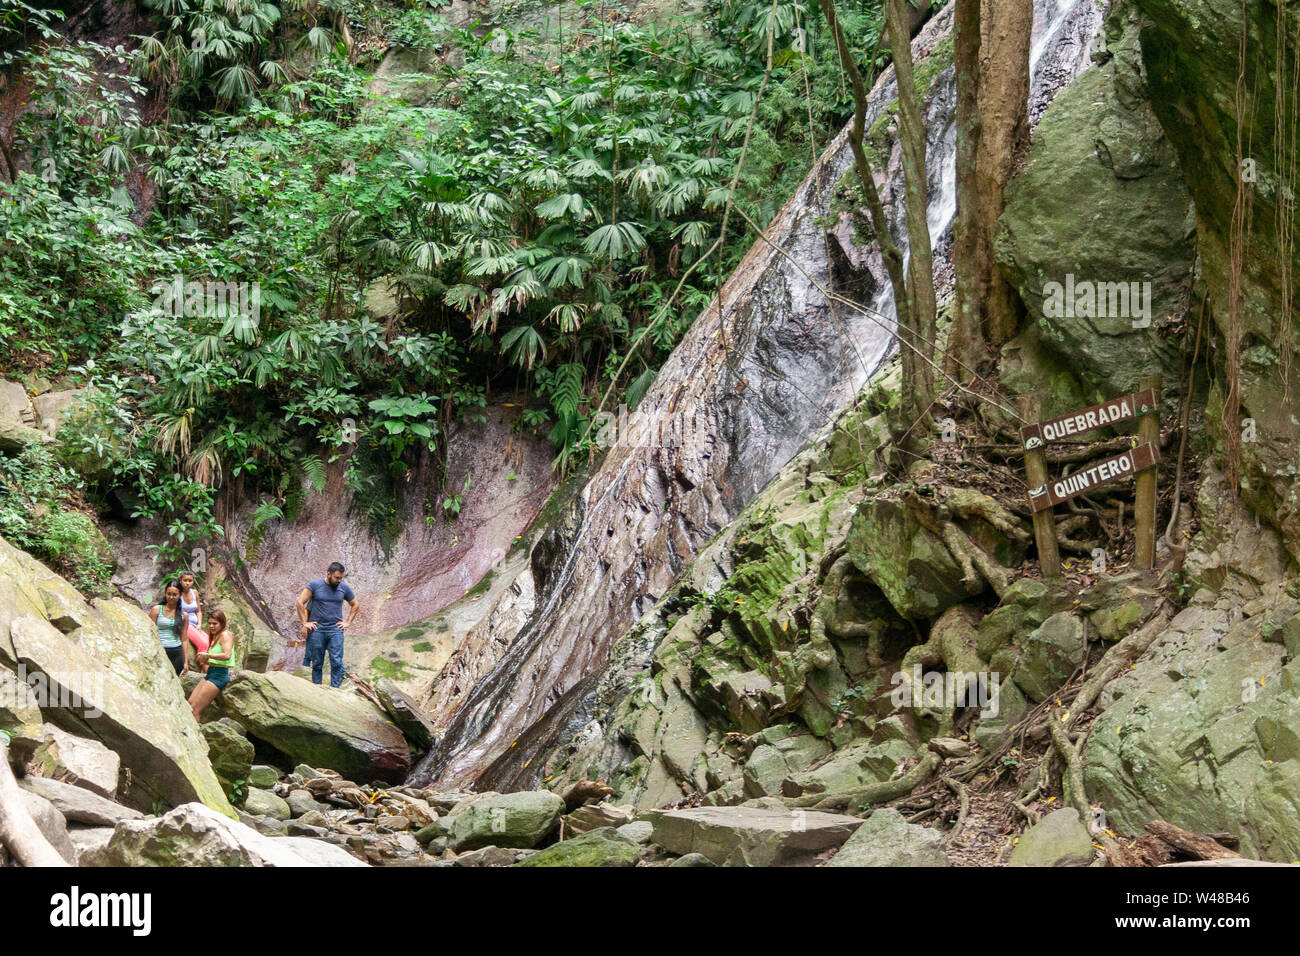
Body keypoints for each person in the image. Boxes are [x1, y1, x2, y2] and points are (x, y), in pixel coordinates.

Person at [296, 562, 358, 688]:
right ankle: (317, 689)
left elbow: (355, 604)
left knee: (336, 661)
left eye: (341, 578)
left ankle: (335, 689)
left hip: (335, 630)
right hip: (317, 630)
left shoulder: (343, 587)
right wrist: (304, 623)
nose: (339, 580)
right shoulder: (315, 585)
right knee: (317, 663)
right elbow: (300, 603)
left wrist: (348, 622)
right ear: (328, 574)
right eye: (336, 577)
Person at [189, 609, 234, 721]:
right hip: (210, 673)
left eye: (215, 624)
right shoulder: (214, 636)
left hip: (219, 675)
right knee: (190, 704)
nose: (211, 626)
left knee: (195, 710)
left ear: (222, 623)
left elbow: (227, 655)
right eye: (209, 623)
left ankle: (195, 737)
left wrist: (208, 656)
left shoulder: (225, 635)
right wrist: (204, 658)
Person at [149, 581, 188, 676]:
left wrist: (186, 661)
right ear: (165, 594)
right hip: (160, 651)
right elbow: (149, 632)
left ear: (180, 595)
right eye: (169, 594)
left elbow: (184, 639)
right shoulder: (156, 610)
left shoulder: (184, 615)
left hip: (177, 654)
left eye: (175, 594)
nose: (171, 597)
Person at [177, 569, 208, 660]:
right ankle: (203, 667)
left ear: (193, 582)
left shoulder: (195, 593)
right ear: (180, 581)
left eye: (190, 581)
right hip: (184, 625)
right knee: (204, 644)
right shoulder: (177, 594)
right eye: (185, 580)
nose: (187, 583)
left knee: (211, 642)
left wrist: (199, 624)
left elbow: (198, 611)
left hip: (195, 625)